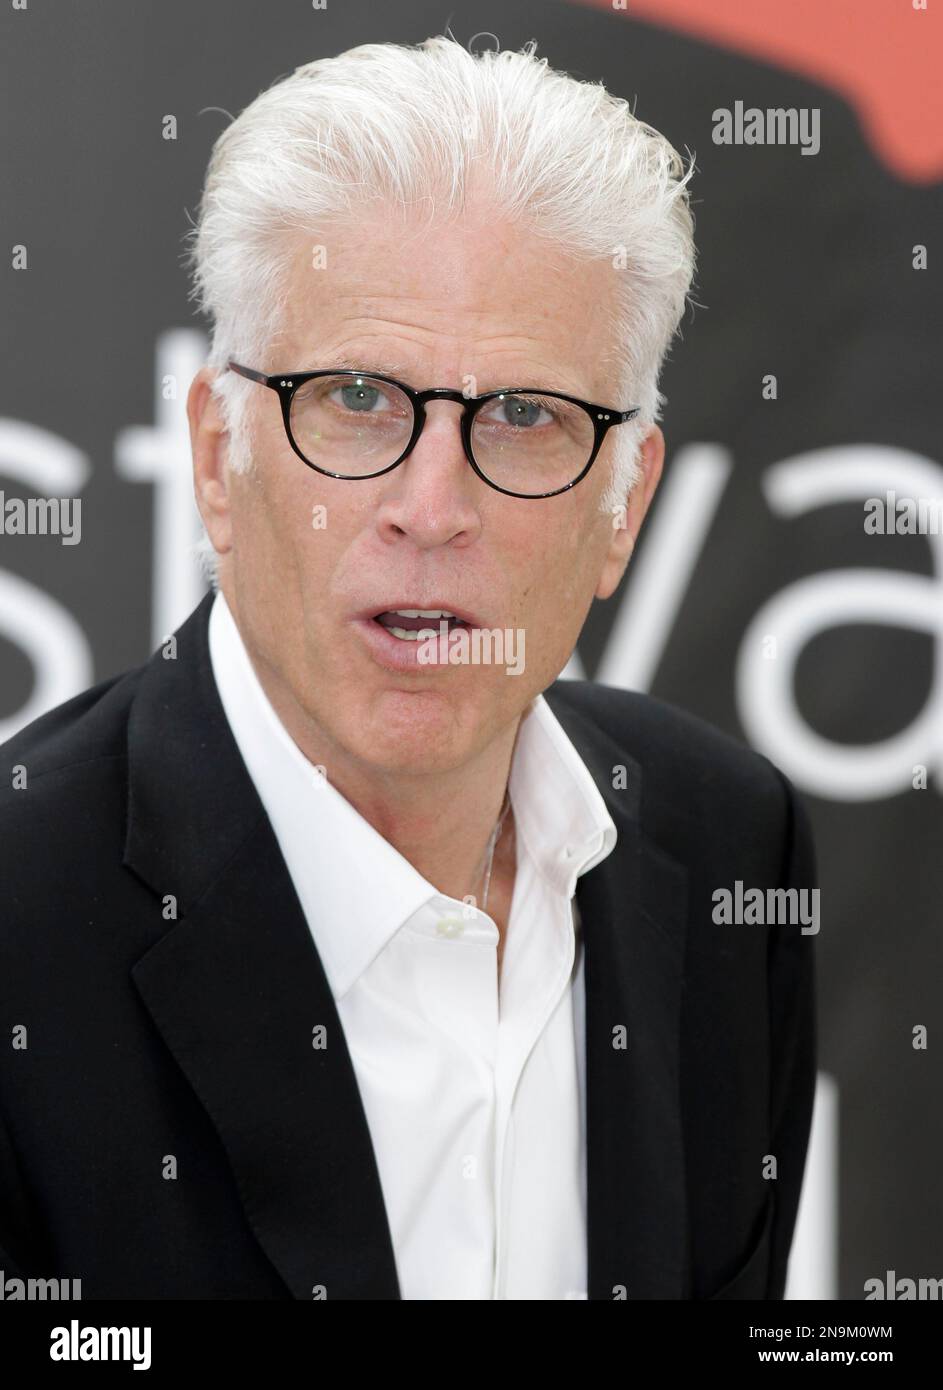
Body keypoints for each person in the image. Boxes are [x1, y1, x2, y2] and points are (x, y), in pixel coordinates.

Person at [0, 35, 816, 1300]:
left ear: (622, 508)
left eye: (527, 415)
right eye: (359, 398)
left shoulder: (726, 849)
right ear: (218, 456)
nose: (431, 507)